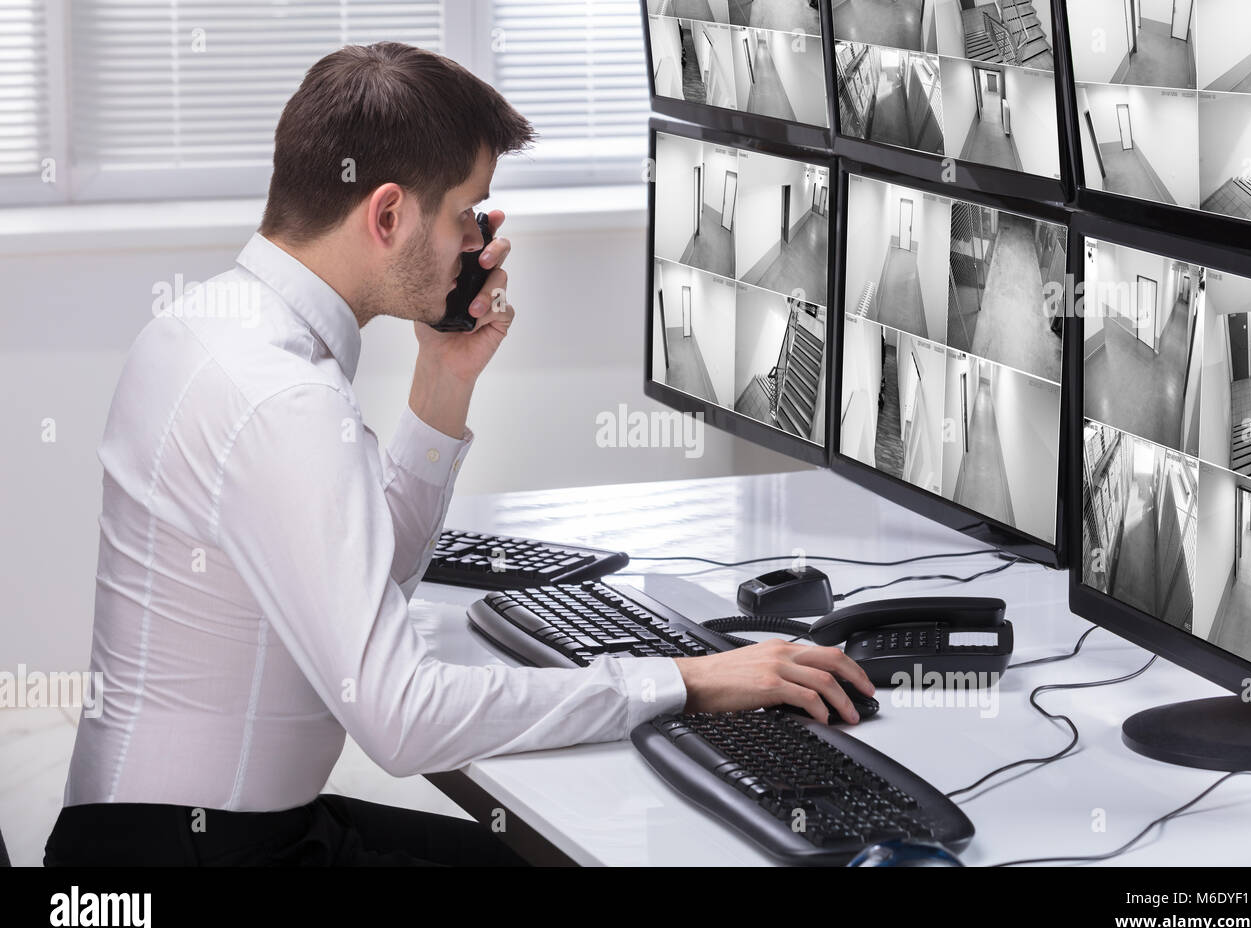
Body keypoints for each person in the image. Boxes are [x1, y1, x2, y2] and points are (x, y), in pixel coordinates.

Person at [44, 42, 873, 867]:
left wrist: (444, 377)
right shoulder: (283, 398)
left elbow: (380, 568)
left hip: (160, 832)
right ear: (388, 216)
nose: (477, 238)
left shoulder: (211, 326)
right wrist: (683, 678)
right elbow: (403, 720)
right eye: (466, 213)